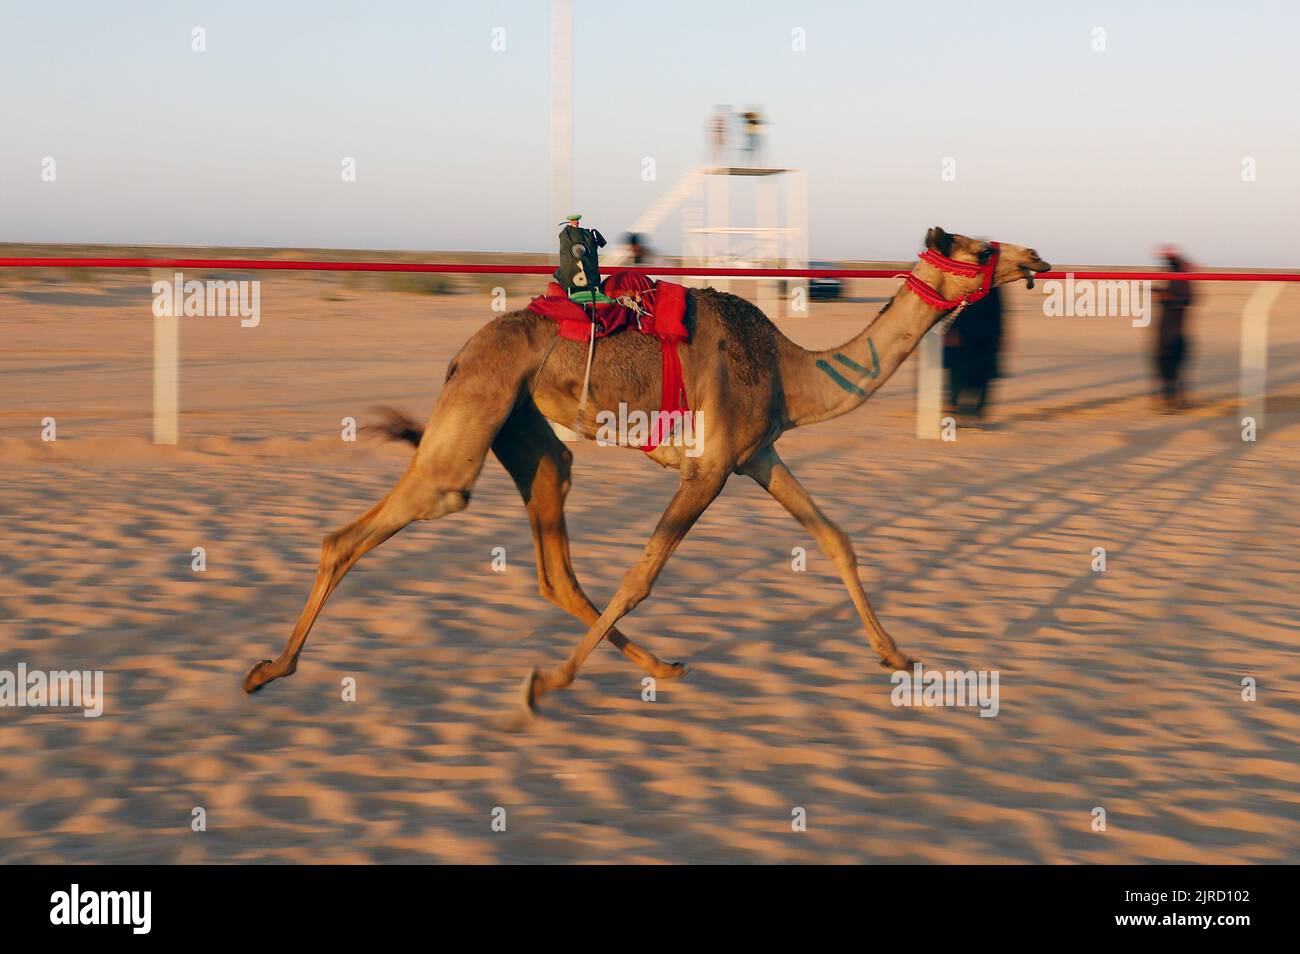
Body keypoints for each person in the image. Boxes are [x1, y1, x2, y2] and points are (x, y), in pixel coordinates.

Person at [944, 284, 1004, 420]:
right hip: (962, 332)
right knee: (958, 371)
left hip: (985, 333)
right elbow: (952, 304)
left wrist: (999, 334)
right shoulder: (960, 278)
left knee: (982, 373)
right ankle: (954, 408)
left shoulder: (993, 283)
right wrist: (951, 330)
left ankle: (977, 411)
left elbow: (998, 309)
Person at [1153, 246, 1195, 409]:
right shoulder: (1176, 280)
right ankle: (1172, 398)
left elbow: (1184, 300)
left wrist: (1163, 296)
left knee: (1170, 366)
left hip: (1173, 332)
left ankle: (1174, 399)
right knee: (1167, 366)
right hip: (1168, 330)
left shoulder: (1182, 281)